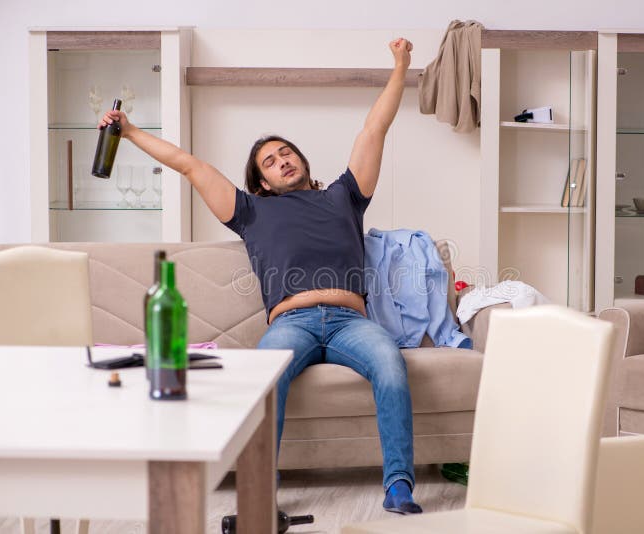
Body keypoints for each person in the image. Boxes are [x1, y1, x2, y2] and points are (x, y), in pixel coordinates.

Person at [99, 38, 422, 515]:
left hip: (353, 321)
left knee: (392, 368)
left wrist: (400, 66)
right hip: (291, 323)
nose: (282, 160)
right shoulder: (249, 212)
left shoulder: (343, 196)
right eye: (270, 161)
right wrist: (129, 131)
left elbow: (375, 127)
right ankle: (260, 493)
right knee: (260, 385)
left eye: (286, 152)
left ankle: (399, 486)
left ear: (302, 161)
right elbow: (190, 165)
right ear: (262, 182)